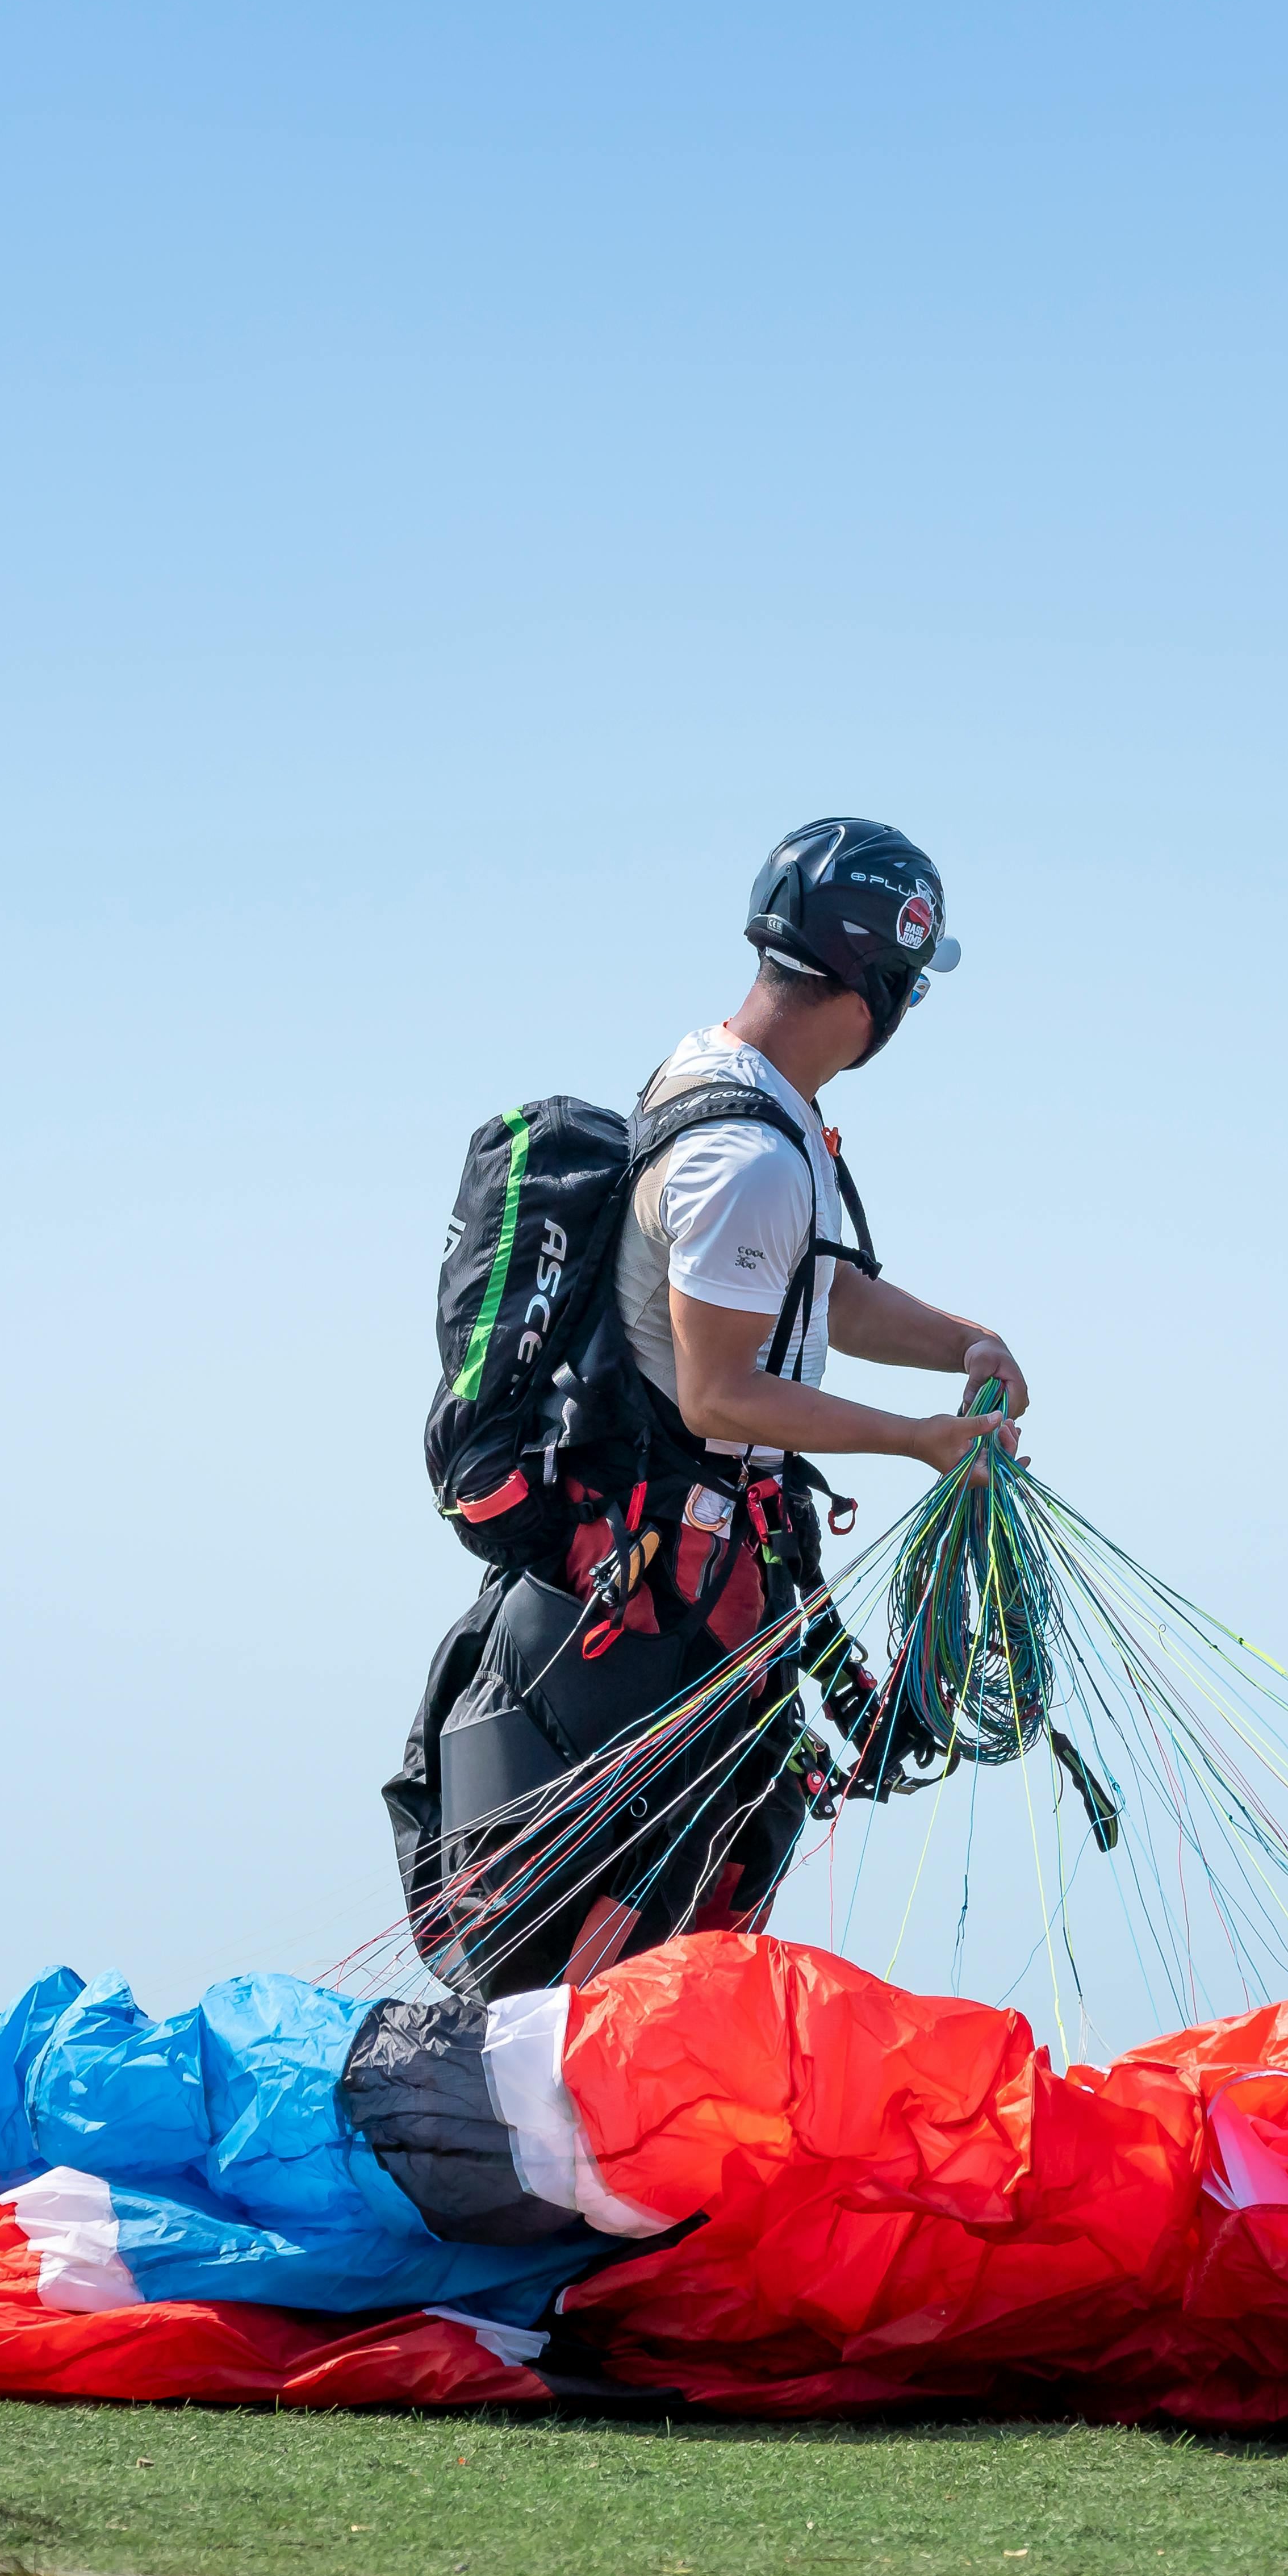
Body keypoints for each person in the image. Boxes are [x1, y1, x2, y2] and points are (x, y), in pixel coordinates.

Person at [390, 819, 1030, 1997]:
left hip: (692, 1603)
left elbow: (810, 1289)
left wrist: (959, 1343)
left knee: (684, 1938)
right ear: (878, 982)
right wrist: (919, 1444)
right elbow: (719, 1386)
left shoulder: (740, 1094)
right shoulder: (752, 1156)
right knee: (604, 1976)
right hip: (644, 1627)